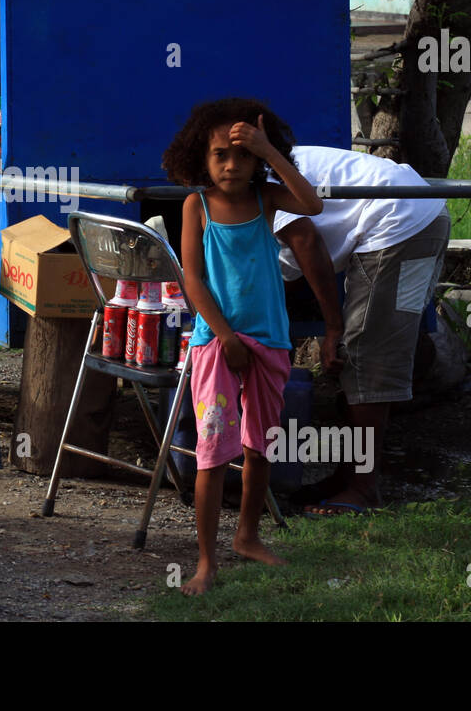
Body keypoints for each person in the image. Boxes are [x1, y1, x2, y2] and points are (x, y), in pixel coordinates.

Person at [162, 99, 323, 595]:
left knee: (259, 447)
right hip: (217, 345)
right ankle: (206, 562)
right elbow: (192, 279)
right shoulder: (197, 206)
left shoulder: (267, 199)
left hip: (271, 341)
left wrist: (269, 150)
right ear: (200, 159)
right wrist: (227, 337)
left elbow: (312, 205)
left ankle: (247, 536)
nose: (232, 166)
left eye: (242, 156)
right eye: (219, 156)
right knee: (211, 454)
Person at [270, 146, 450, 516]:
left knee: (368, 353)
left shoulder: (257, 179)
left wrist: (331, 328)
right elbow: (287, 267)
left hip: (397, 218)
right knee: (369, 353)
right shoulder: (257, 163)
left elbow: (306, 244)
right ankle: (350, 477)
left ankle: (363, 489)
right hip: (419, 211)